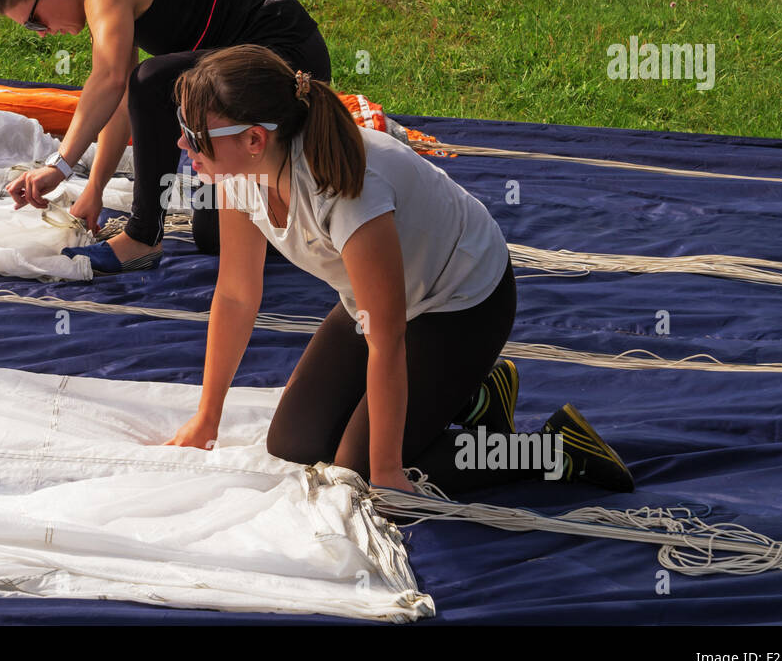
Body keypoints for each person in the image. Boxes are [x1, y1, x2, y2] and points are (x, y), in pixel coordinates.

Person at [161, 44, 635, 496]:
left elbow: (386, 337)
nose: (183, 143)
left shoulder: (345, 187)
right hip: (383, 299)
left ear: (253, 138)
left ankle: (553, 449)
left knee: (361, 469)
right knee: (295, 444)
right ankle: (476, 397)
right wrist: (207, 416)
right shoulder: (241, 173)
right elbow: (237, 295)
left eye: (196, 134)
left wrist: (386, 468)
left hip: (461, 302)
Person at [0, 0, 331, 272]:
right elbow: (120, 100)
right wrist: (94, 188)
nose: (40, 34)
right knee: (212, 236)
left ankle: (143, 237)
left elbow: (113, 81)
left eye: (33, 21)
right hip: (261, 73)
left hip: (290, 63)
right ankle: (314, 220)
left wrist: (60, 165)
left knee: (154, 80)